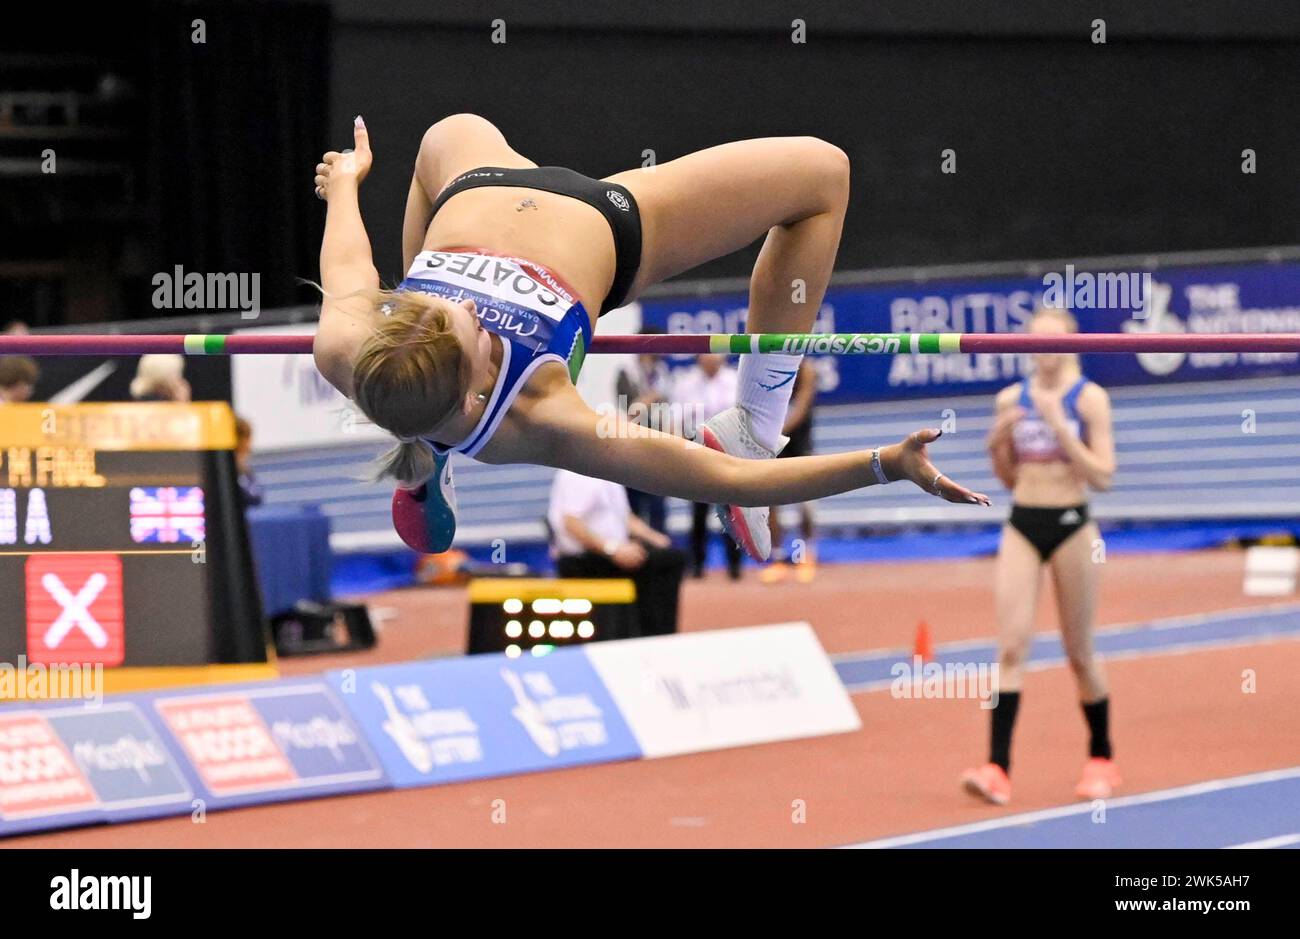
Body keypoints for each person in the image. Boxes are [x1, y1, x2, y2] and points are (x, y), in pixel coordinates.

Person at [309, 113, 989, 561]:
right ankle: (756, 418)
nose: (479, 311)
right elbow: (729, 480)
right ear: (475, 398)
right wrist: (884, 463)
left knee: (444, 133)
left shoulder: (349, 345)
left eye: (441, 304)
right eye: (481, 334)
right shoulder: (546, 418)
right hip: (608, 226)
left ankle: (424, 444)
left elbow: (346, 260)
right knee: (823, 174)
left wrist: (344, 184)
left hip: (477, 184)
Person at [960, 306, 1119, 805]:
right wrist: (996, 443)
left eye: (1055, 342)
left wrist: (1062, 428)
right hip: (1023, 522)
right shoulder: (1010, 398)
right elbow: (1009, 480)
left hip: (1073, 523)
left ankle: (1101, 758)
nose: (1045, 352)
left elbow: (1104, 476)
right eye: (1037, 341)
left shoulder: (1090, 399)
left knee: (1080, 652)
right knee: (1010, 647)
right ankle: (997, 769)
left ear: (1072, 343)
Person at [548, 468, 686, 637]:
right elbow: (570, 523)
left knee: (671, 556)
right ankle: (653, 633)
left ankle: (657, 632)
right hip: (585, 559)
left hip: (608, 551)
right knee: (663, 564)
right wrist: (612, 549)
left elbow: (625, 517)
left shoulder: (607, 474)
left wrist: (655, 538)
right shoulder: (578, 475)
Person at [672, 353, 742, 578]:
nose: (710, 359)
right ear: (698, 358)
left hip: (728, 450)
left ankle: (734, 565)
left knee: (731, 511)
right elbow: (675, 420)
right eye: (706, 356)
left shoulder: (736, 380)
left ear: (722, 357)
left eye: (715, 355)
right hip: (697, 450)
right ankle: (698, 565)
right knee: (698, 512)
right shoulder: (686, 383)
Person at [760, 358, 819, 583]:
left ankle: (804, 556)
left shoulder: (806, 369)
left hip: (799, 443)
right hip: (774, 443)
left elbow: (801, 407)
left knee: (805, 505)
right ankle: (778, 559)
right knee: (772, 505)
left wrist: (777, 431)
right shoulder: (769, 368)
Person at [614, 325, 672, 533]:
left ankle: (660, 552)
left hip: (657, 443)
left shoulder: (661, 372)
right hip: (632, 442)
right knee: (634, 505)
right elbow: (630, 408)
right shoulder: (626, 371)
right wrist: (652, 397)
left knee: (658, 506)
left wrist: (651, 400)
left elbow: (667, 405)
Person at [234, 416, 265, 509]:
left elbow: (257, 496)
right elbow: (252, 496)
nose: (249, 446)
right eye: (246, 439)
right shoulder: (235, 469)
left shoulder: (245, 470)